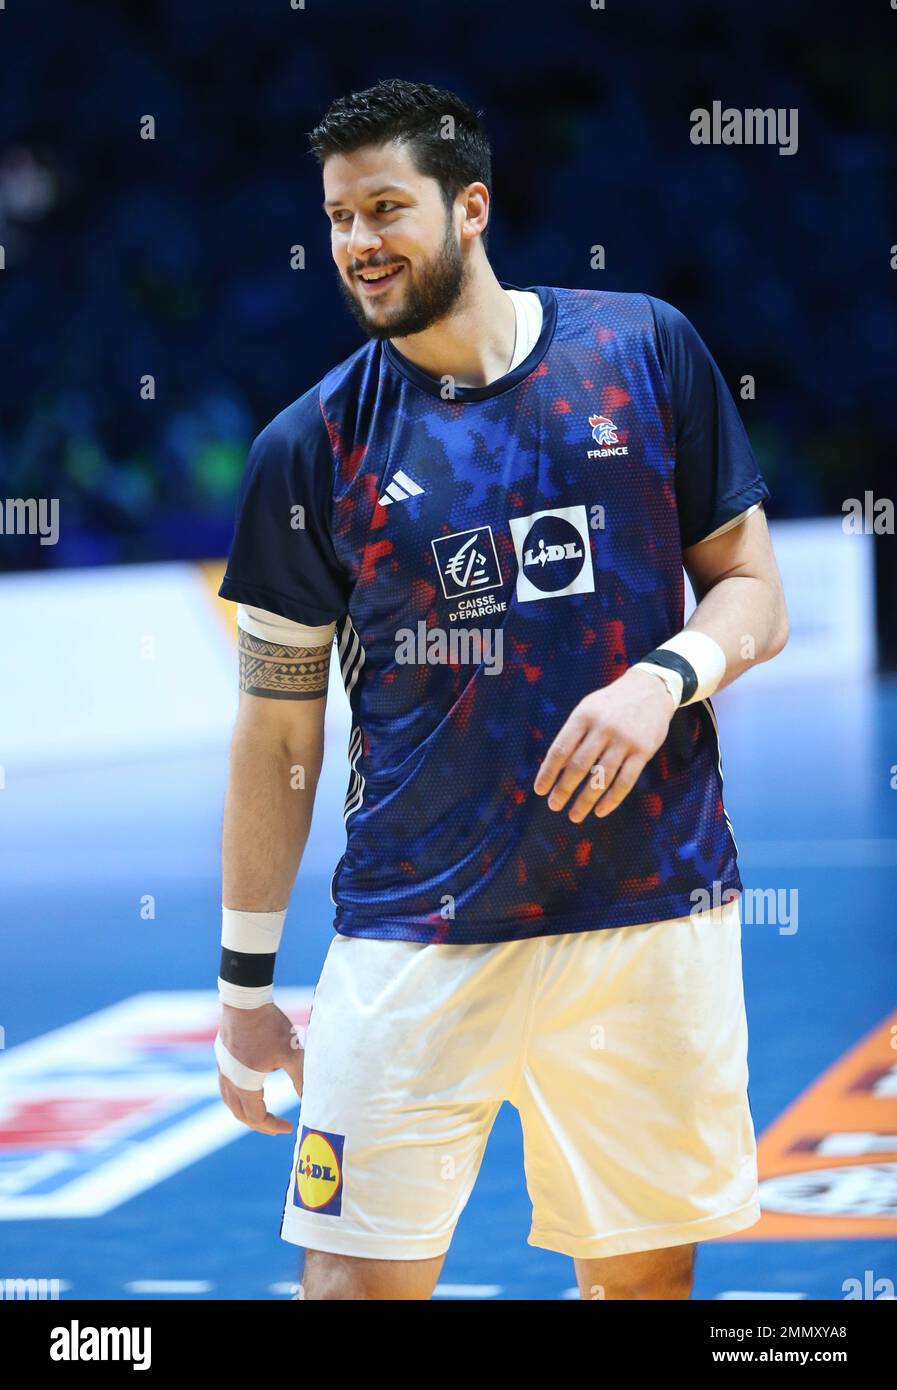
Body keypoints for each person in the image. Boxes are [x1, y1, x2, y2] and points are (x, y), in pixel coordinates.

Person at [214, 78, 788, 1301]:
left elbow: (752, 590)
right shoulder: (308, 450)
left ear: (470, 205)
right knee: (349, 1287)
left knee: (638, 1285)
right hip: (413, 932)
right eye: (338, 217)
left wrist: (665, 678)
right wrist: (243, 987)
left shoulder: (641, 349)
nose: (360, 243)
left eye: (386, 207)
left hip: (648, 912)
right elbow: (275, 737)